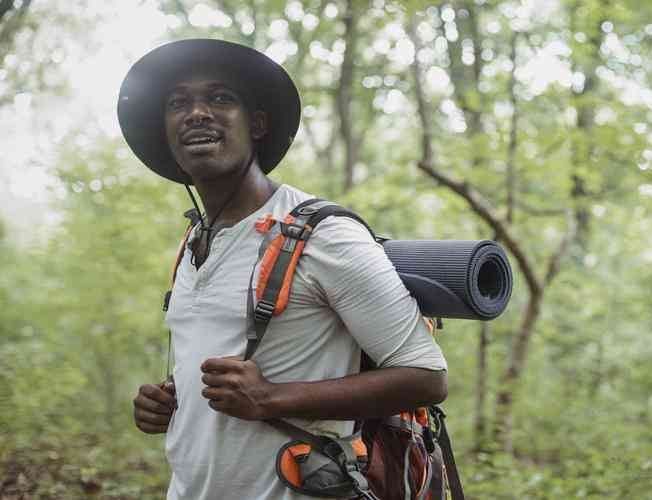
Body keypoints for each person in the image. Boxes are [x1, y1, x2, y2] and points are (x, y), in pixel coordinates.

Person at [117, 39, 448, 500]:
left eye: (219, 97)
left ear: (257, 124)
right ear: (166, 132)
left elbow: (426, 376)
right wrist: (172, 401)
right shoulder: (195, 240)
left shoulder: (323, 235)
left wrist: (271, 399)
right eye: (178, 103)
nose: (196, 113)